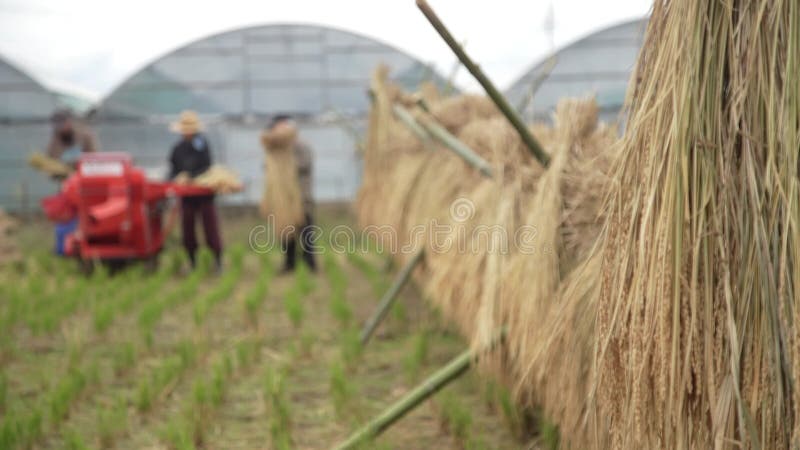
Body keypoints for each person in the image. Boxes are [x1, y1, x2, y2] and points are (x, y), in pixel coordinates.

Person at [167, 110, 223, 271]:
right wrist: (176, 178)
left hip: (204, 193)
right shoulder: (177, 148)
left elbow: (207, 166)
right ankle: (192, 262)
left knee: (210, 227)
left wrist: (191, 177)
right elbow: (173, 169)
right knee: (188, 229)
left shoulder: (202, 145)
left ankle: (217, 261)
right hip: (186, 195)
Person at [264, 115, 316, 273]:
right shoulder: (275, 150)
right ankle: (289, 263)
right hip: (283, 200)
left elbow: (304, 164)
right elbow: (267, 168)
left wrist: (285, 163)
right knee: (286, 233)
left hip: (301, 198)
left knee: (305, 230)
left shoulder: (301, 146)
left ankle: (310, 263)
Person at [46, 109, 98, 255]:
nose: (61, 128)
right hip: (66, 188)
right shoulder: (55, 142)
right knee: (65, 218)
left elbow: (94, 159)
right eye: (57, 126)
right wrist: (58, 172)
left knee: (86, 217)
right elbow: (50, 166)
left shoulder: (84, 136)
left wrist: (78, 169)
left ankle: (88, 247)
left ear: (69, 122)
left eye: (63, 124)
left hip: (85, 187)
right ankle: (64, 249)